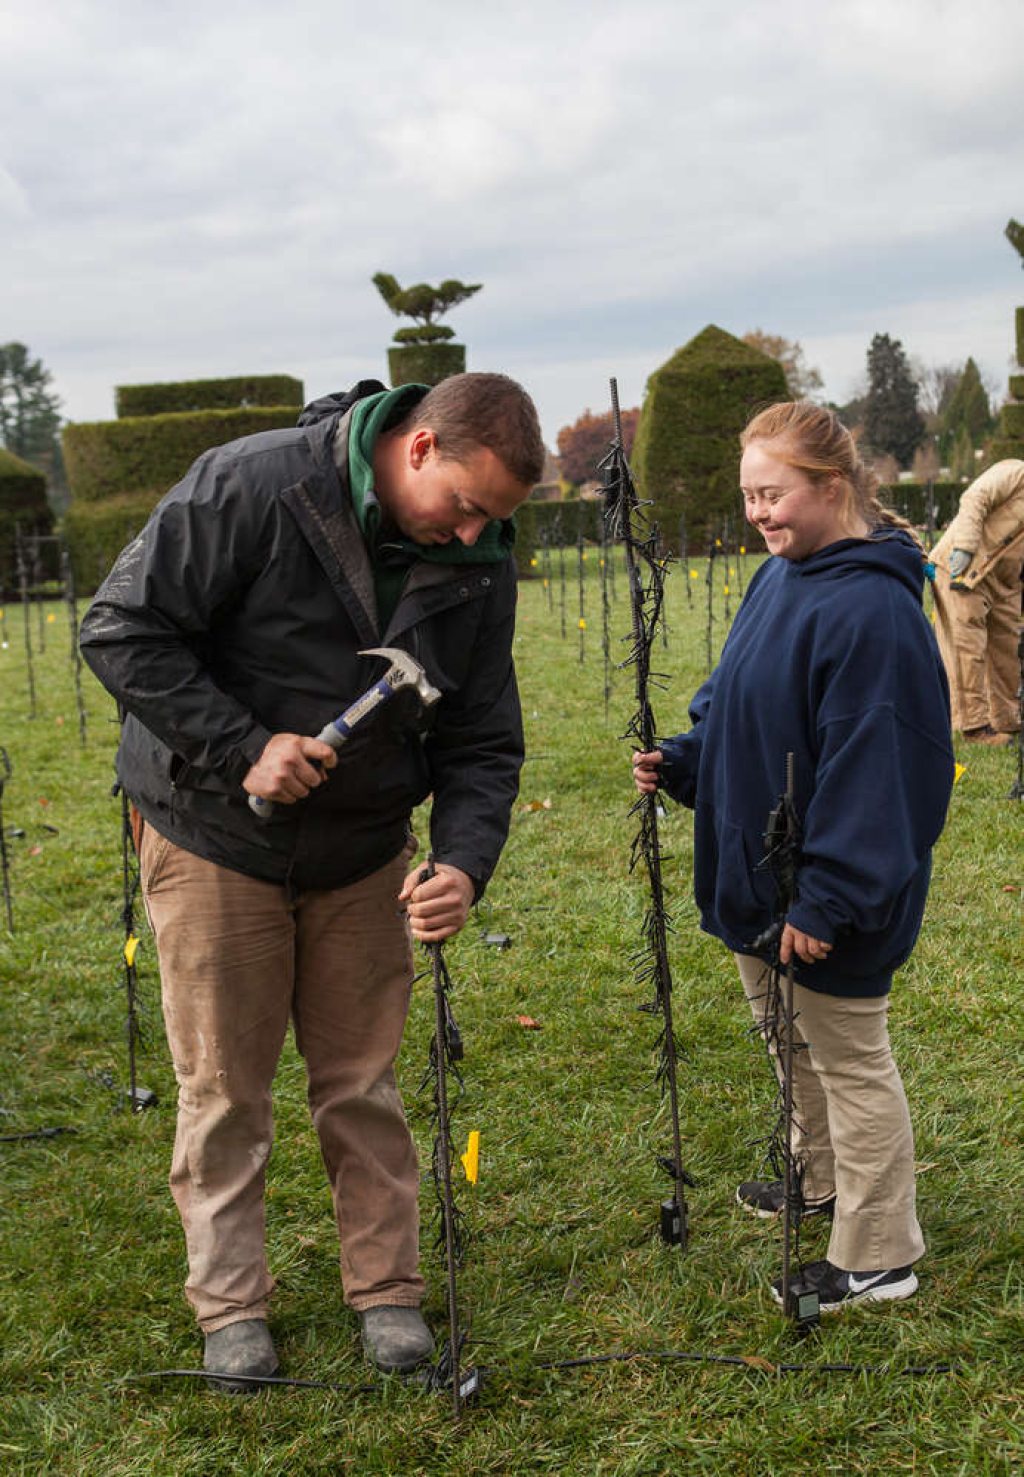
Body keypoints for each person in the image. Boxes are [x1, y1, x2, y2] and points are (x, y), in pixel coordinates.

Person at [80, 372, 545, 1390]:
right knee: (222, 1088)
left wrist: (463, 862)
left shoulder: (479, 561)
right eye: (467, 506)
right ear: (418, 448)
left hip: (363, 850)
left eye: (495, 521)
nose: (475, 535)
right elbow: (119, 629)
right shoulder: (252, 485)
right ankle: (231, 1307)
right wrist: (242, 745)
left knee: (362, 1081)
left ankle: (387, 1289)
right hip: (213, 834)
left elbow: (481, 736)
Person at [633, 401, 954, 1314]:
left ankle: (880, 1252)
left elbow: (881, 773)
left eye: (772, 494)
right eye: (748, 496)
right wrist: (688, 758)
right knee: (789, 1037)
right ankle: (819, 1178)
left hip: (825, 896)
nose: (756, 514)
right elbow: (739, 699)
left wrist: (827, 898)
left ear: (832, 485)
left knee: (848, 1058)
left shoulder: (875, 612)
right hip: (758, 877)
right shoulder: (781, 577)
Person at [929, 459, 1024, 745]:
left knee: (1008, 650)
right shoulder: (1015, 472)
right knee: (966, 647)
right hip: (963, 569)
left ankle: (1007, 720)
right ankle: (973, 727)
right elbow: (974, 497)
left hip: (1005, 583)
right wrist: (965, 547)